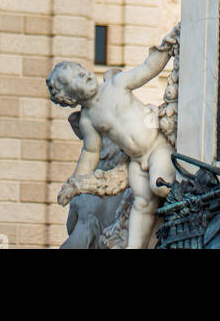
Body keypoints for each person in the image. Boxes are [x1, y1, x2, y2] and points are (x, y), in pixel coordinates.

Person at [47, 27, 178, 249]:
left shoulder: (116, 85)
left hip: (156, 147)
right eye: (77, 78)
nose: (86, 74)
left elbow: (147, 69)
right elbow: (90, 154)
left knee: (159, 186)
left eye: (82, 71)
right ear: (70, 97)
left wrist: (167, 48)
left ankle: (183, 213)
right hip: (136, 162)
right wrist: (77, 182)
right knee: (142, 203)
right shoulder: (88, 121)